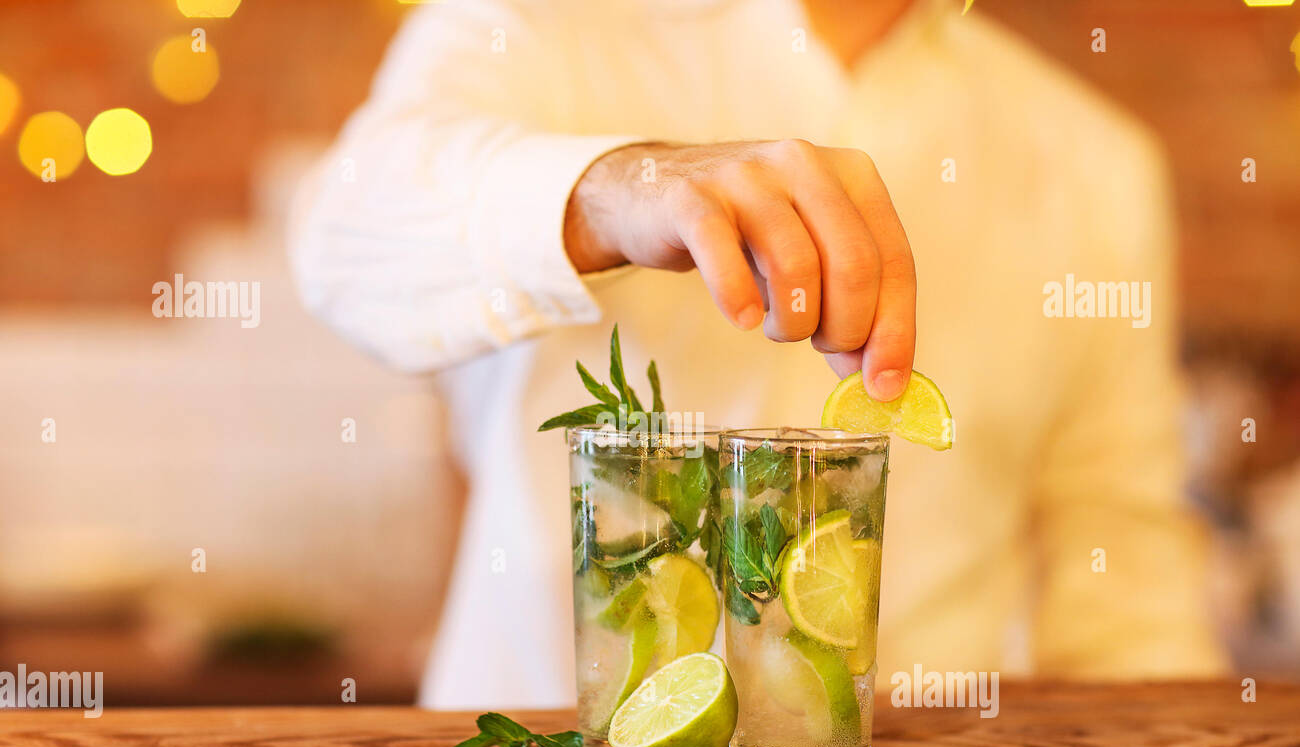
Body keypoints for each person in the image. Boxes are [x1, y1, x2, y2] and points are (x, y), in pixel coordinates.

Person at [290, 0, 1225, 709]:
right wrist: (613, 188)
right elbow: (339, 243)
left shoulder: (1094, 160)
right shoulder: (540, 28)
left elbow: (1123, 568)